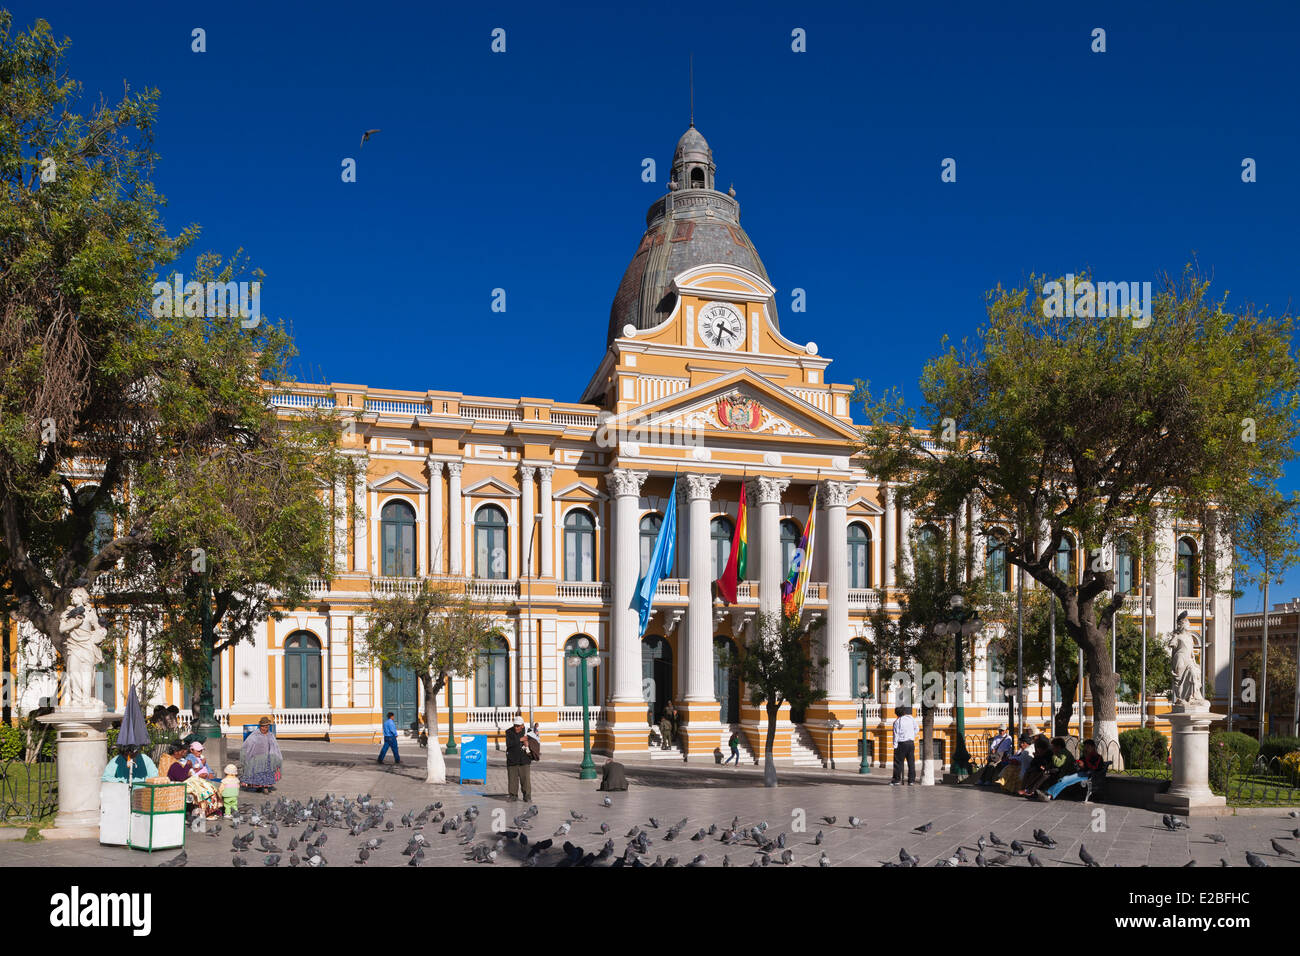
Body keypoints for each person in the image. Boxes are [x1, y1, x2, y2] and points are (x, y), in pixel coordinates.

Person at [166, 748, 223, 817]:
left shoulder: (182, 761)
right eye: (182, 750)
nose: (184, 752)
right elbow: (182, 778)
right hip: (180, 784)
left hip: (189, 780)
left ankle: (211, 809)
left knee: (209, 787)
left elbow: (189, 773)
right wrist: (188, 766)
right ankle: (203, 811)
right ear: (175, 752)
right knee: (201, 790)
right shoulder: (174, 764)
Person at [239, 717, 282, 793]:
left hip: (267, 758)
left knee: (266, 773)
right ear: (260, 726)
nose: (264, 728)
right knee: (257, 773)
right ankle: (258, 786)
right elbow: (247, 745)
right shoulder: (255, 735)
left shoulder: (270, 735)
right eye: (263, 727)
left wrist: (274, 756)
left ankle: (265, 787)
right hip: (256, 759)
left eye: (266, 727)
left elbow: (274, 746)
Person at [505, 715, 532, 802]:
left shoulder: (529, 731)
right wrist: (520, 739)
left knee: (526, 780)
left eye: (518, 726)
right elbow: (509, 744)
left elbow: (534, 742)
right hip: (512, 759)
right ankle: (513, 795)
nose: (516, 727)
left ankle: (527, 796)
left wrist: (528, 744)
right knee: (512, 779)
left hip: (524, 759)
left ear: (522, 725)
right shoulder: (509, 732)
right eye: (515, 725)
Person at [890, 705, 918, 785]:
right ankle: (911, 780)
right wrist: (912, 735)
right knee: (911, 762)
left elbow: (896, 735)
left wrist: (895, 746)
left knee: (898, 763)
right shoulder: (911, 718)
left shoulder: (897, 722)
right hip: (911, 743)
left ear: (897, 714)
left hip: (901, 744)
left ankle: (896, 780)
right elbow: (917, 728)